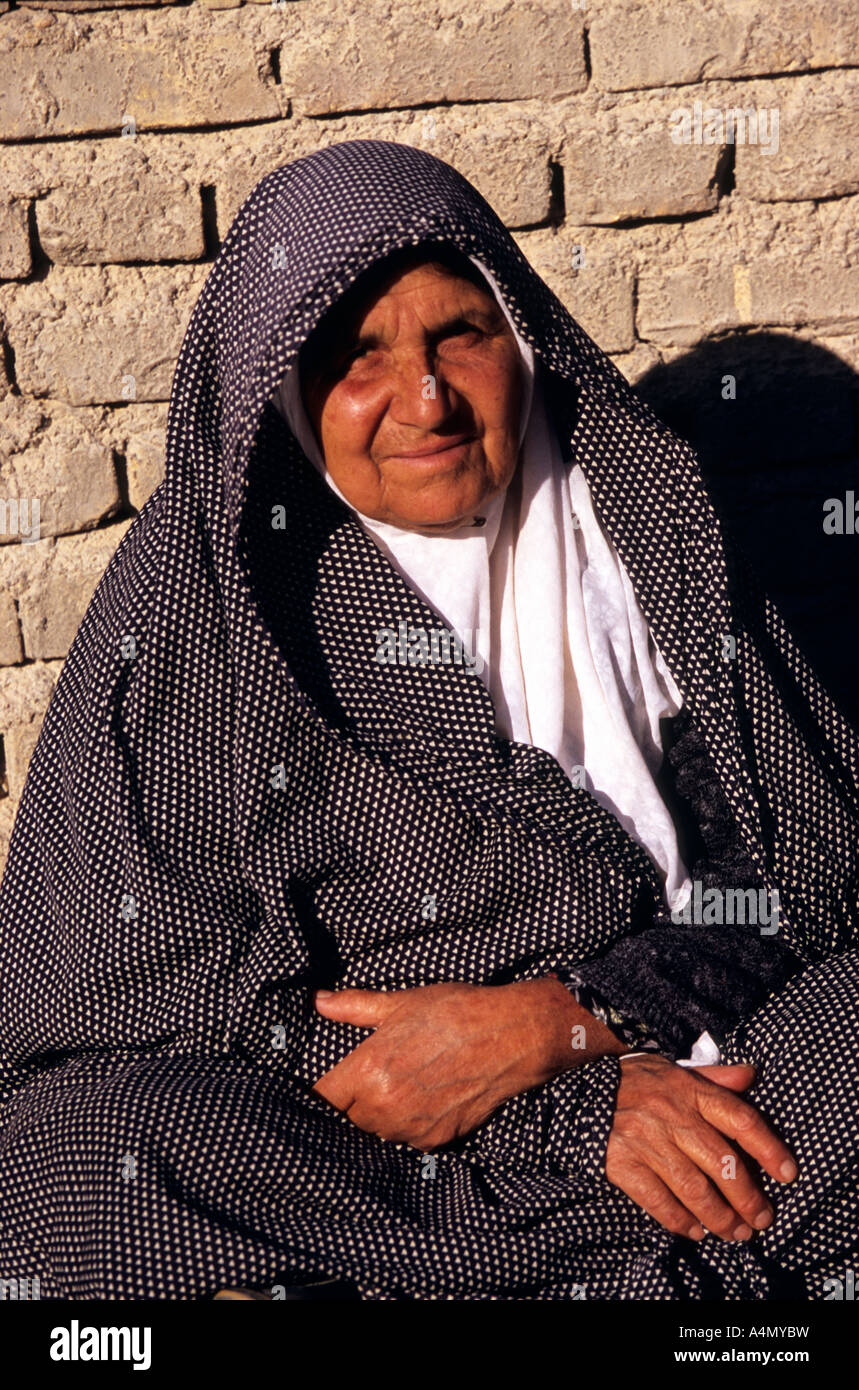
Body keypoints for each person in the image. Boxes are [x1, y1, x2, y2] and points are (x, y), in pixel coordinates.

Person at [0, 140, 856, 1302]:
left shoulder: (643, 530)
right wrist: (553, 1111)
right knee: (75, 1172)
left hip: (670, 1060)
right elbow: (130, 1010)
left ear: (524, 336)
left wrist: (567, 1025)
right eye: (357, 356)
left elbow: (787, 882)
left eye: (461, 333)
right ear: (281, 391)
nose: (426, 399)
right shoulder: (202, 613)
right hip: (375, 1158)